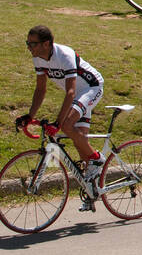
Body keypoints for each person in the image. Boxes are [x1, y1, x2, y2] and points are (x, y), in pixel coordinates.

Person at [15, 25, 106, 210]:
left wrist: (58, 122)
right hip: (77, 94)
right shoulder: (38, 58)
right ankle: (92, 191)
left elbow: (71, 92)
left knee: (66, 125)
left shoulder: (64, 55)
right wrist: (29, 116)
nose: (29, 48)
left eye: (32, 44)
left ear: (46, 43)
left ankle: (97, 159)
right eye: (27, 43)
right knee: (80, 144)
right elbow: (41, 89)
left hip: (91, 88)